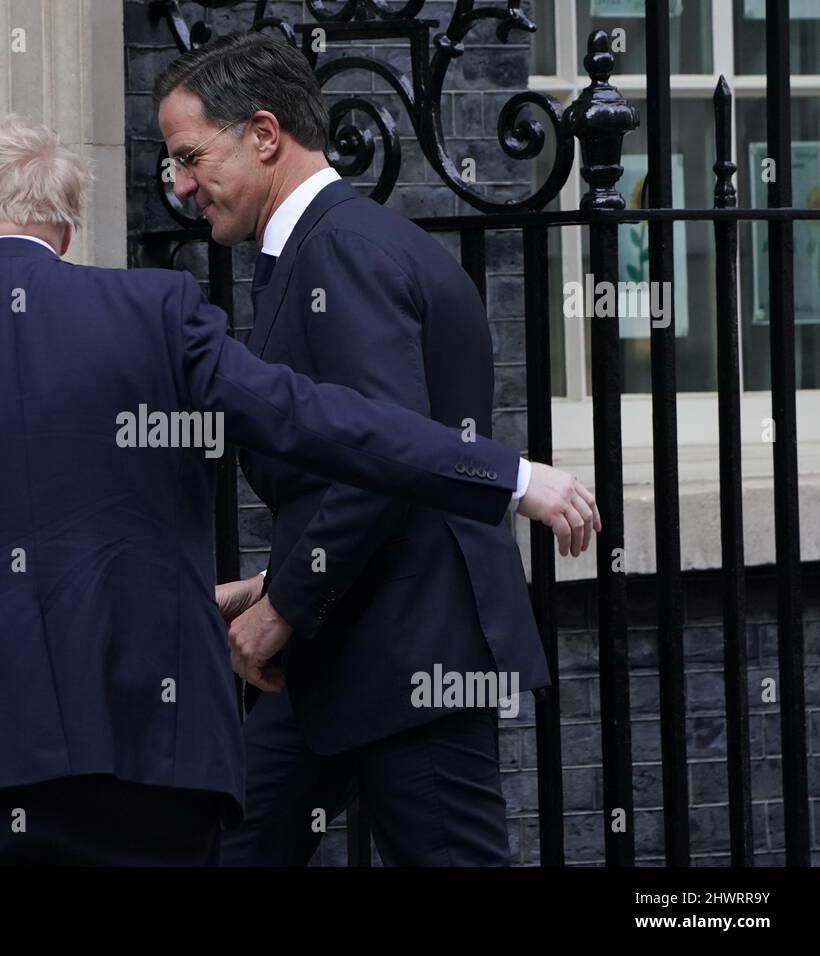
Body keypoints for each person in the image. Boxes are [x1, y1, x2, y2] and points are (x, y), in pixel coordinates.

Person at [0, 113, 599, 866]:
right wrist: (506, 475)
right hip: (150, 768)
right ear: (63, 226)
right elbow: (319, 420)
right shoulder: (154, 310)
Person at [155, 32, 574, 865]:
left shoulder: (338, 251)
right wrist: (275, 586)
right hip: (354, 639)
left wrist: (283, 608)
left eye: (191, 157)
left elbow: (383, 453)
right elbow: (358, 460)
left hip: (412, 651)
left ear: (264, 134)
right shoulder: (334, 245)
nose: (180, 186)